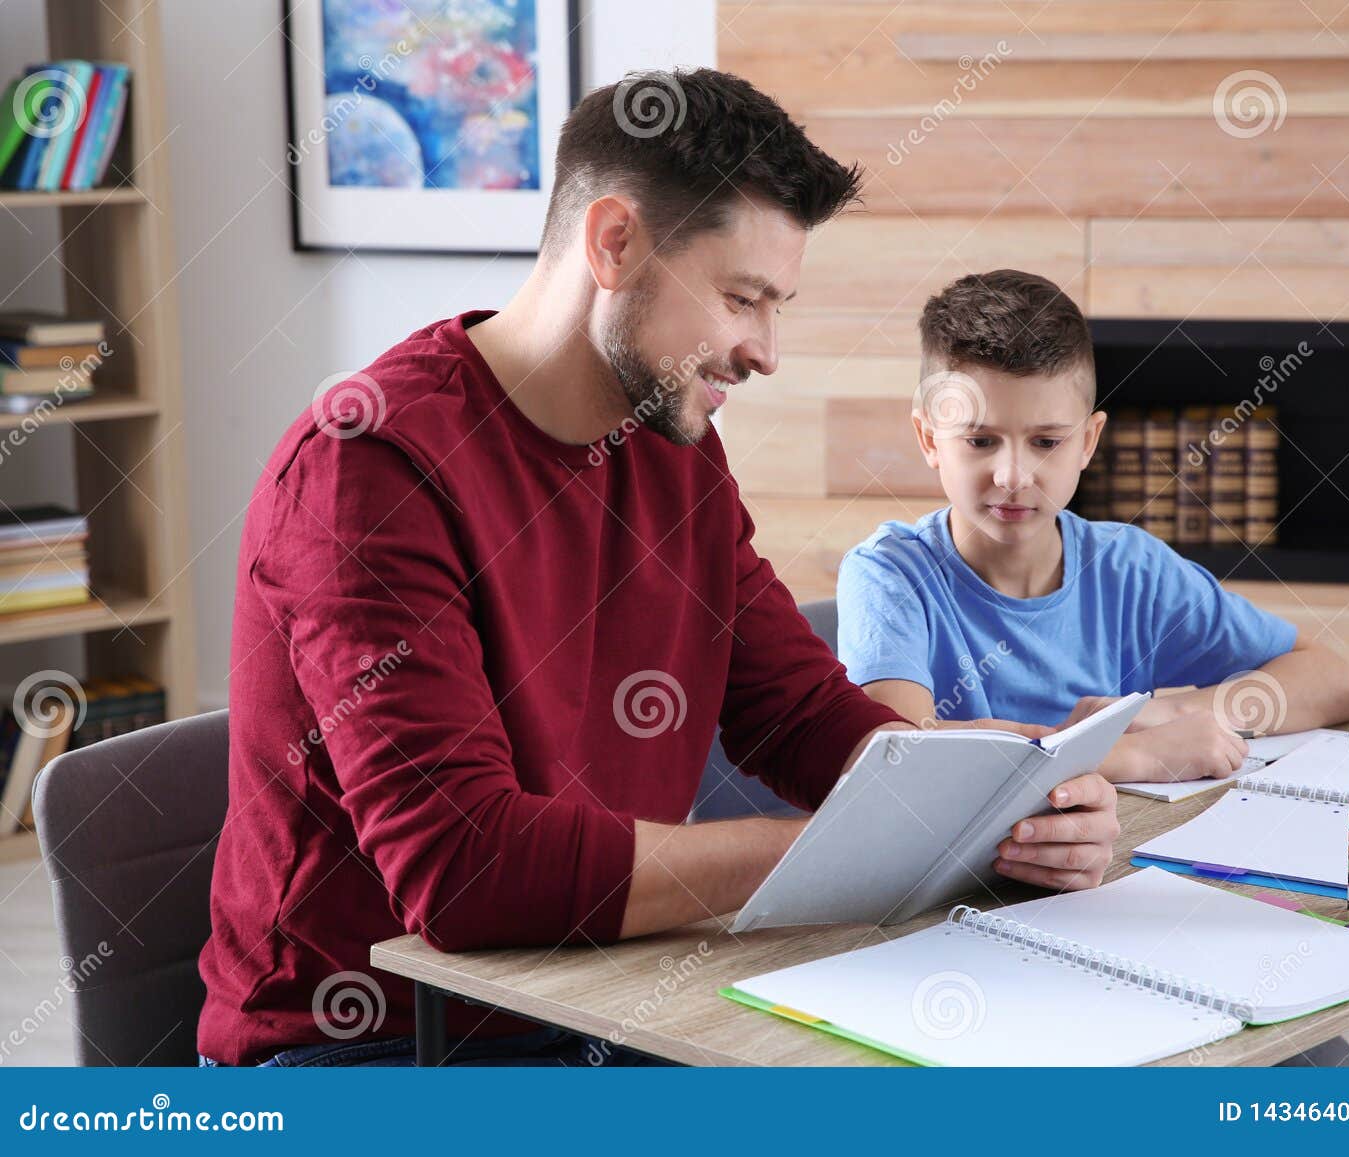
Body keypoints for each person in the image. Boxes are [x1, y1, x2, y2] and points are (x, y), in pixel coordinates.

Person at [196, 73, 1121, 1068]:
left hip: (603, 1000)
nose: (764, 352)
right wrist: (848, 854)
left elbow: (797, 712)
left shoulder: (672, 446)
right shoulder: (367, 468)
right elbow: (463, 869)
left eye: (777, 306)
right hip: (371, 1050)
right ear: (614, 243)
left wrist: (996, 800)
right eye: (740, 299)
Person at [836, 269, 1349, 803]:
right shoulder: (889, 573)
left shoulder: (1128, 567)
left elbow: (1332, 680)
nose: (1014, 476)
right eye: (980, 440)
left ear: (1088, 442)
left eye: (1046, 441)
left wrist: (1173, 712)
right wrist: (1134, 755)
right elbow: (901, 759)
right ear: (930, 438)